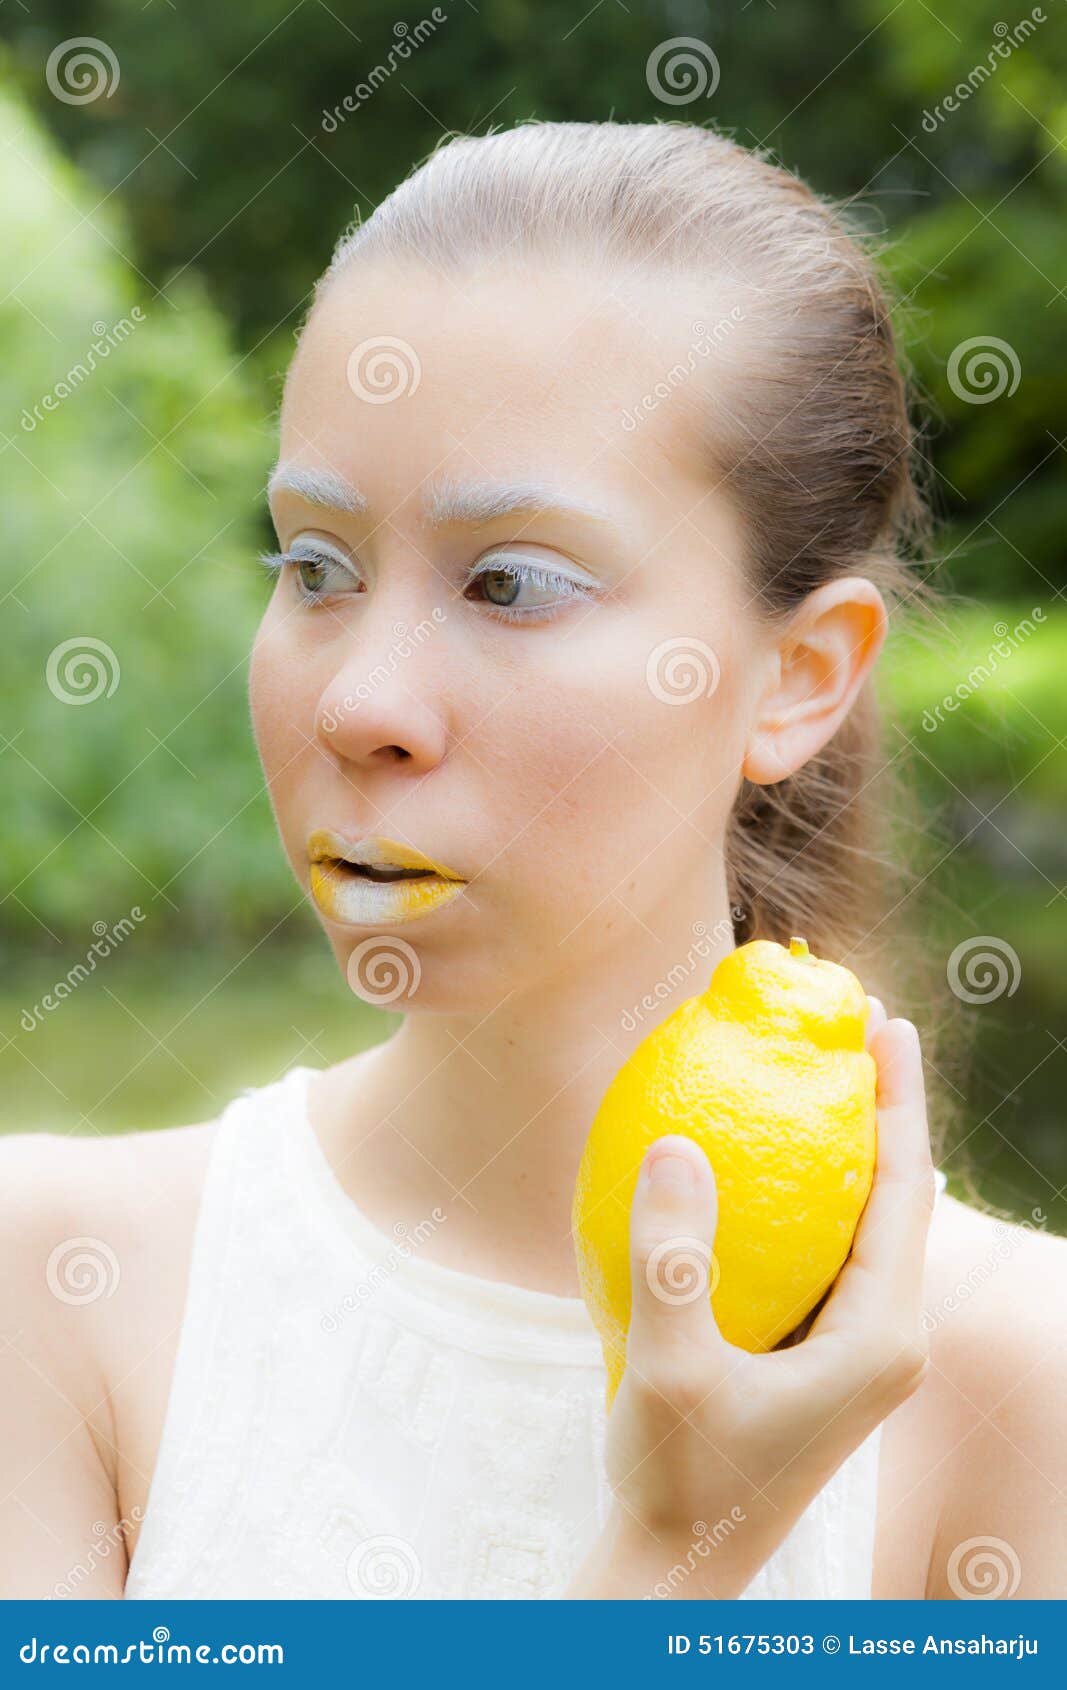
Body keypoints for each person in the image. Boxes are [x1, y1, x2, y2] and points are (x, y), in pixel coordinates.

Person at [3, 121, 1064, 1601]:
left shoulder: (1019, 1390)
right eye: (314, 564)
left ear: (799, 678)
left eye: (510, 584)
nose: (361, 701)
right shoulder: (57, 1297)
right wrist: (675, 1555)